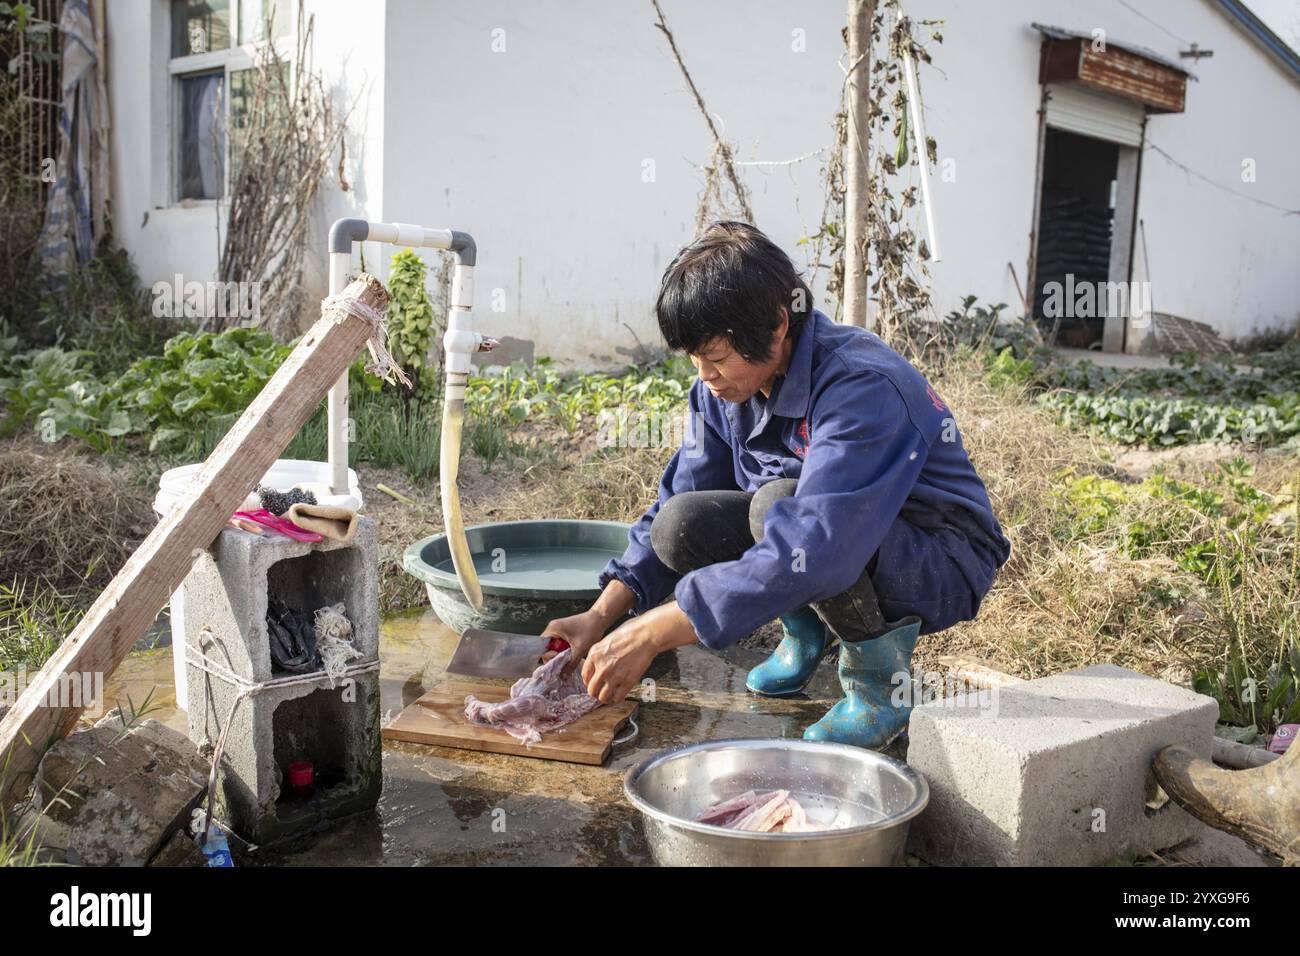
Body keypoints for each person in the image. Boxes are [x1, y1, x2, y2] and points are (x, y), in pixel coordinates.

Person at [543, 221, 1011, 749]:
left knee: (778, 506)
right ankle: (805, 631)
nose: (706, 376)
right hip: (820, 539)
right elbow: (678, 497)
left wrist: (655, 631)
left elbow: (820, 543)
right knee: (680, 526)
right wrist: (602, 614)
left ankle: (882, 687)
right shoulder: (724, 392)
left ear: (777, 323)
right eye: (695, 360)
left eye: (717, 358)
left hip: (937, 562)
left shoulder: (862, 384)